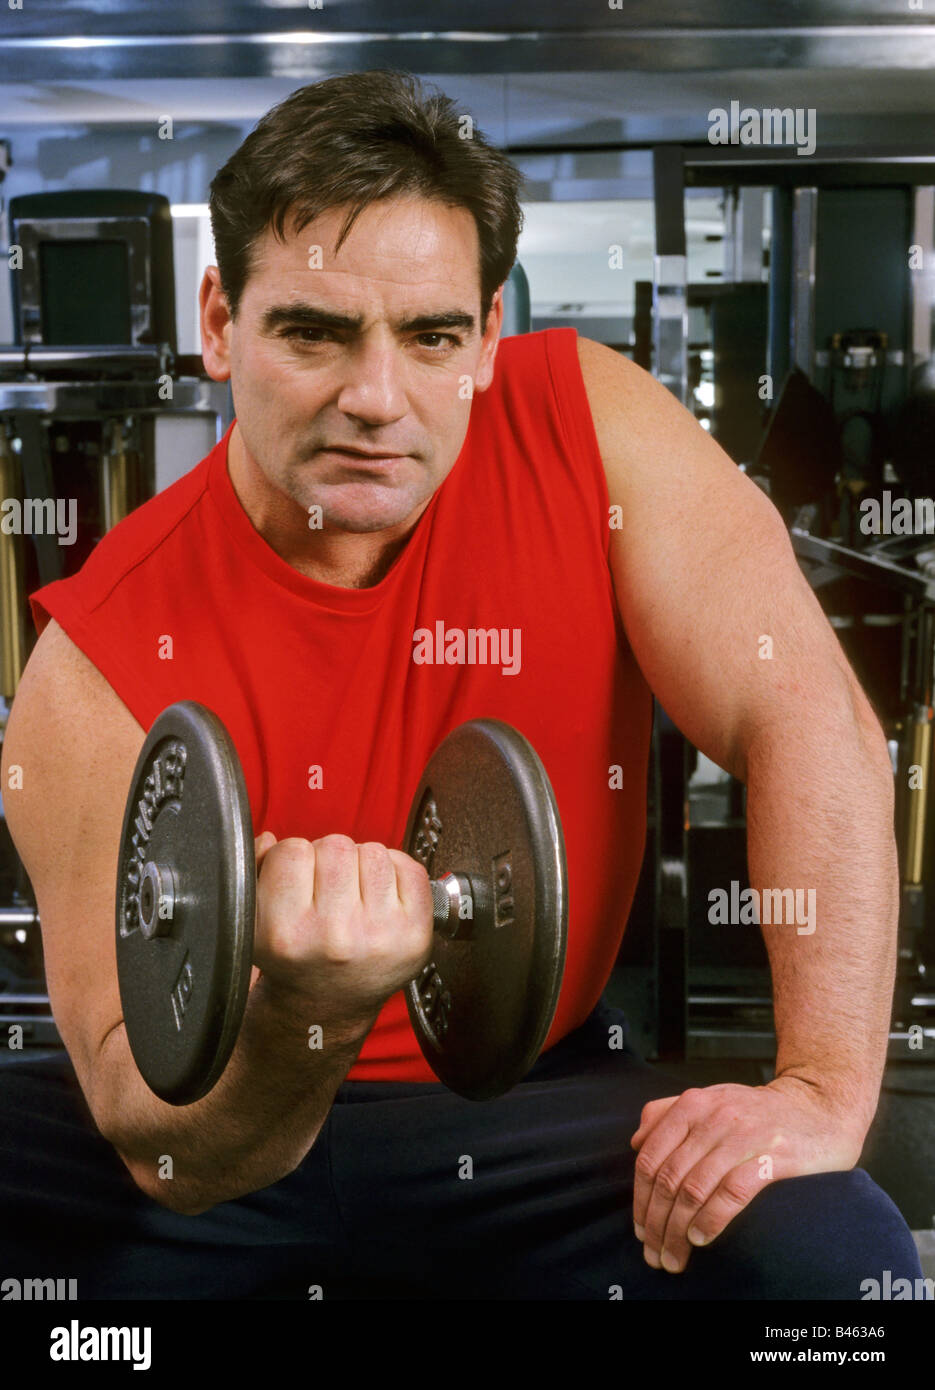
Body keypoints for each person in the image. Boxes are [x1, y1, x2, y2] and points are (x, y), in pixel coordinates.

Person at [0, 69, 922, 1300]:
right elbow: (165, 1143)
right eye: (313, 331)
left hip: (531, 1099)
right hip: (220, 1124)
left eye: (430, 336)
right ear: (219, 323)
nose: (376, 400)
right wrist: (304, 1015)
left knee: (825, 1261)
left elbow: (801, 708)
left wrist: (818, 1090)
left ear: (488, 332)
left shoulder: (584, 423)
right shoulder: (95, 661)